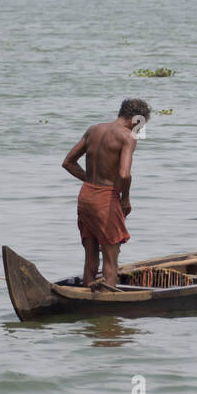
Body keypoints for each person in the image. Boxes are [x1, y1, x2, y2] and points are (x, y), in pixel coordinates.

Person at [61, 98, 151, 288]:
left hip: (86, 196)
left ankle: (87, 294)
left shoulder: (93, 130)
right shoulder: (127, 136)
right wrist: (125, 199)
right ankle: (109, 303)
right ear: (137, 120)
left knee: (91, 253)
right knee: (111, 258)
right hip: (106, 200)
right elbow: (124, 175)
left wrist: (91, 182)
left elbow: (68, 162)